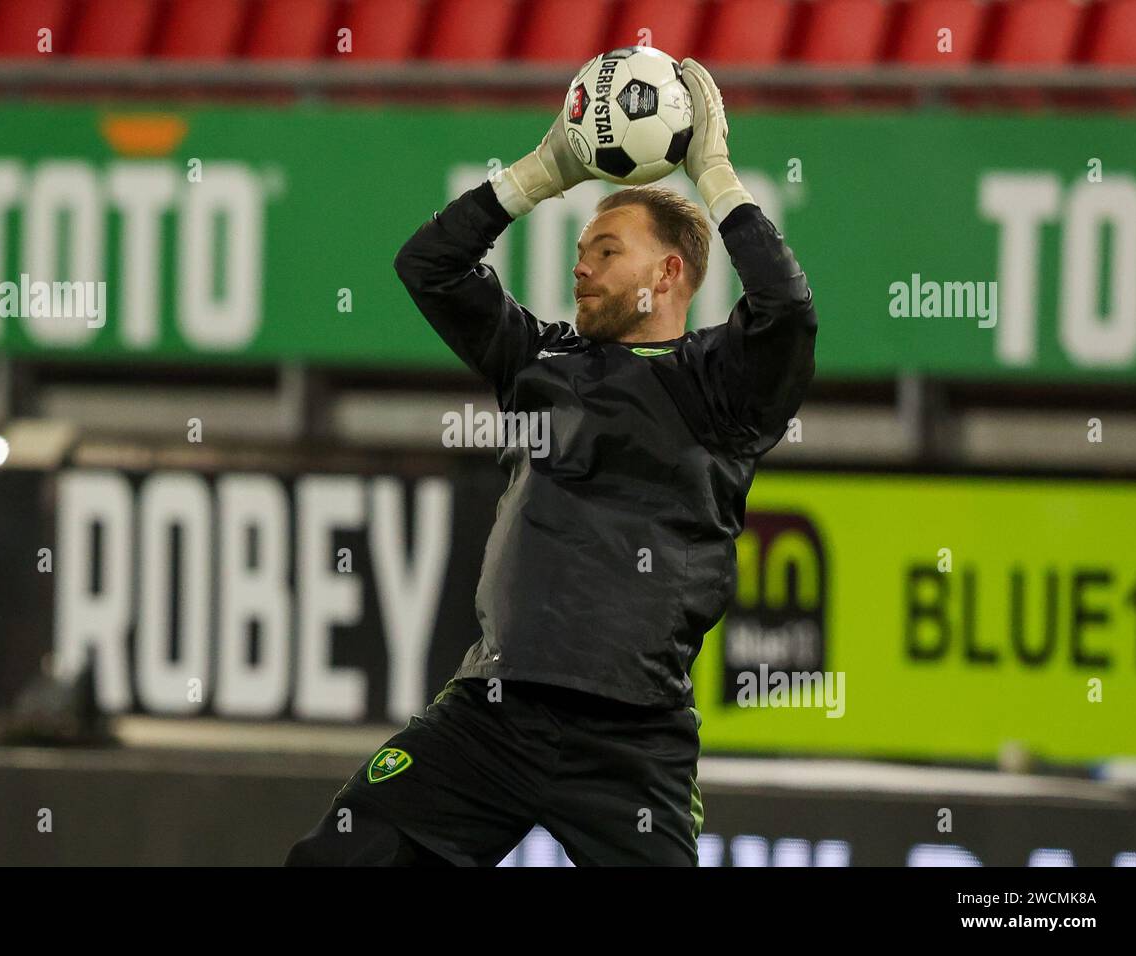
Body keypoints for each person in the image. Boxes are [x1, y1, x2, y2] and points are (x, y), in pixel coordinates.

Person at [286, 58, 816, 866]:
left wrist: (713, 173)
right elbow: (428, 268)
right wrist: (539, 174)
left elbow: (786, 308)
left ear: (668, 274)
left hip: (632, 738)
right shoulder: (541, 360)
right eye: (581, 249)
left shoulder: (722, 389)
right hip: (492, 712)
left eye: (606, 251)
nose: (581, 266)